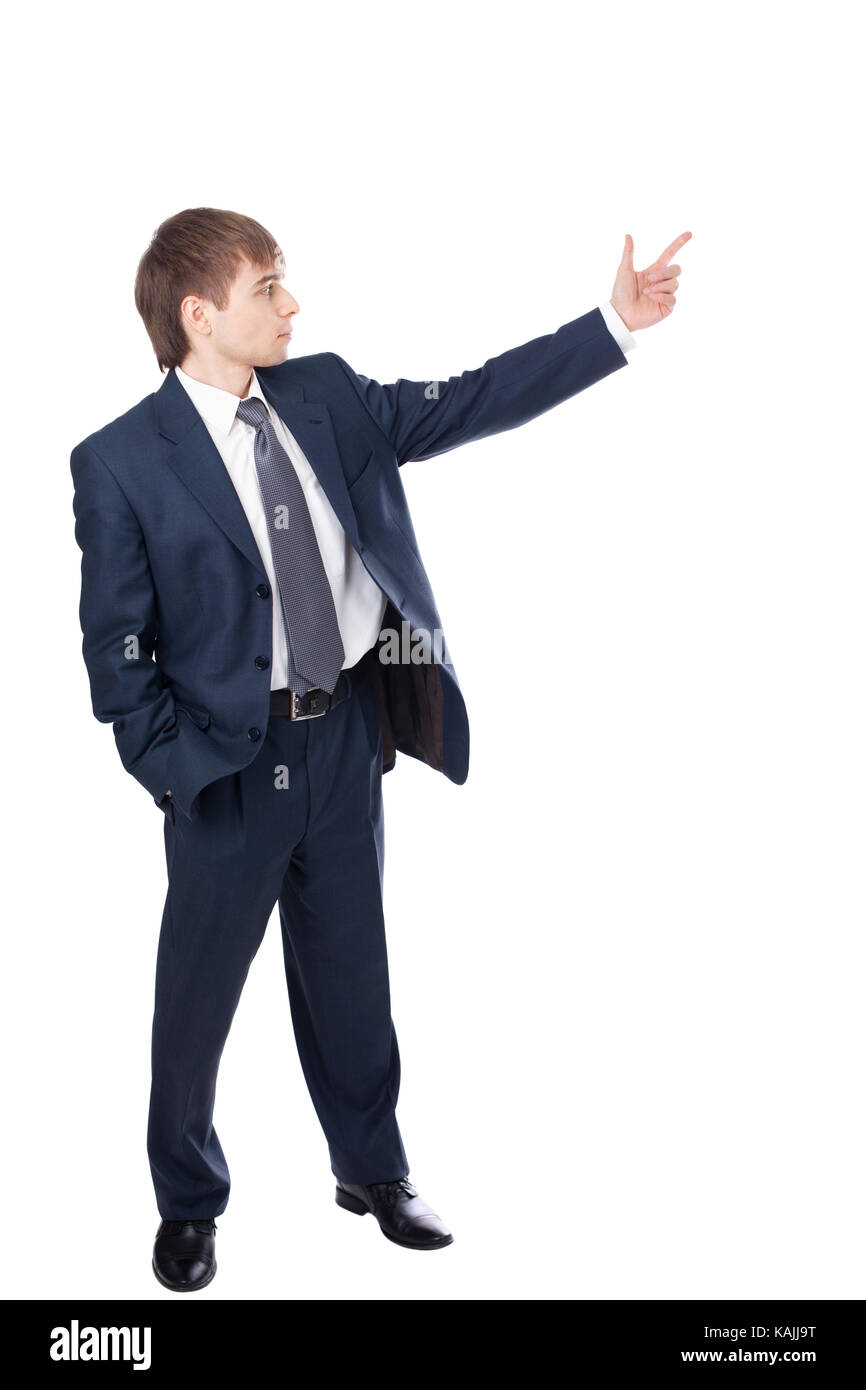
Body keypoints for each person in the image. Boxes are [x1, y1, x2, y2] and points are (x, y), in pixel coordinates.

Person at [70, 207, 690, 1291]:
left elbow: (466, 401)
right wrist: (174, 768)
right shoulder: (121, 461)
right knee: (196, 1002)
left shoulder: (323, 393)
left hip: (347, 736)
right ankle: (188, 1203)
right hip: (225, 766)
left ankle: (373, 1171)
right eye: (269, 287)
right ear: (199, 313)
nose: (292, 304)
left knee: (353, 974)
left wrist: (611, 324)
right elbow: (115, 648)